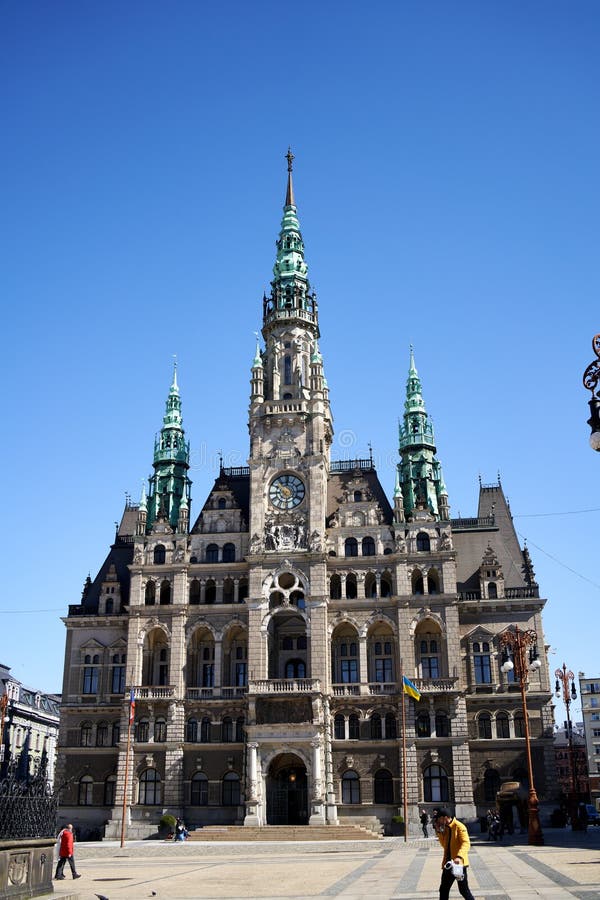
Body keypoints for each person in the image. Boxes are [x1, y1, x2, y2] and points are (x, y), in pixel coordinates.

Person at [434, 808, 475, 900]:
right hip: (448, 864)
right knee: (444, 889)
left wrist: (459, 857)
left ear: (445, 818)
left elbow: (466, 843)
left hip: (458, 865)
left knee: (464, 890)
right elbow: (444, 845)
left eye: (439, 819)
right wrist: (439, 832)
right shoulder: (446, 828)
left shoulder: (459, 826)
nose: (438, 821)